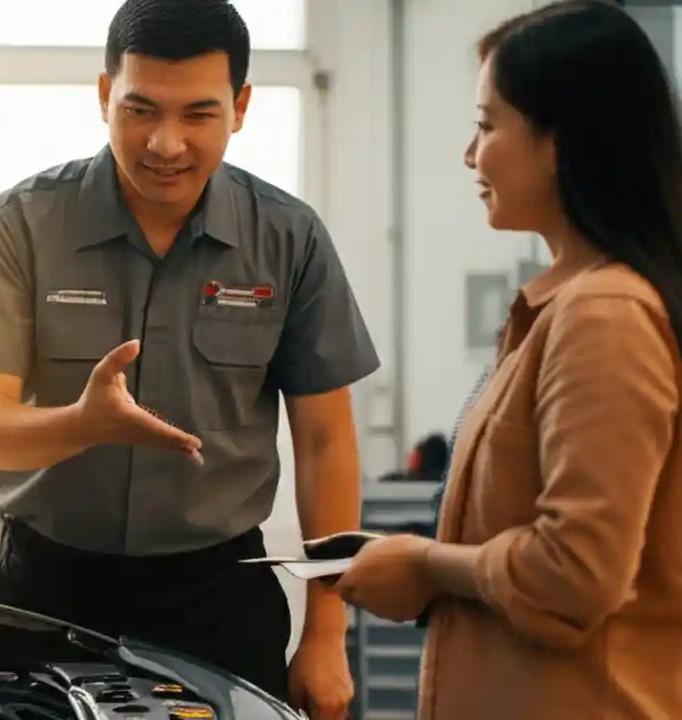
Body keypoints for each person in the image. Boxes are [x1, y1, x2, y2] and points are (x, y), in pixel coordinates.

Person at [0, 1, 379, 716]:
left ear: (241, 107)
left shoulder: (289, 238)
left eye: (198, 114)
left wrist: (326, 632)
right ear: (105, 95)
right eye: (140, 110)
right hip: (47, 590)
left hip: (221, 594)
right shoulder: (22, 223)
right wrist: (84, 423)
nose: (166, 143)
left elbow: (326, 440)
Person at [332, 1, 682, 718]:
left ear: (562, 142)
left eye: (488, 126)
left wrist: (428, 567)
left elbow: (576, 571)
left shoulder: (604, 314)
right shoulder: (563, 307)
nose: (470, 154)